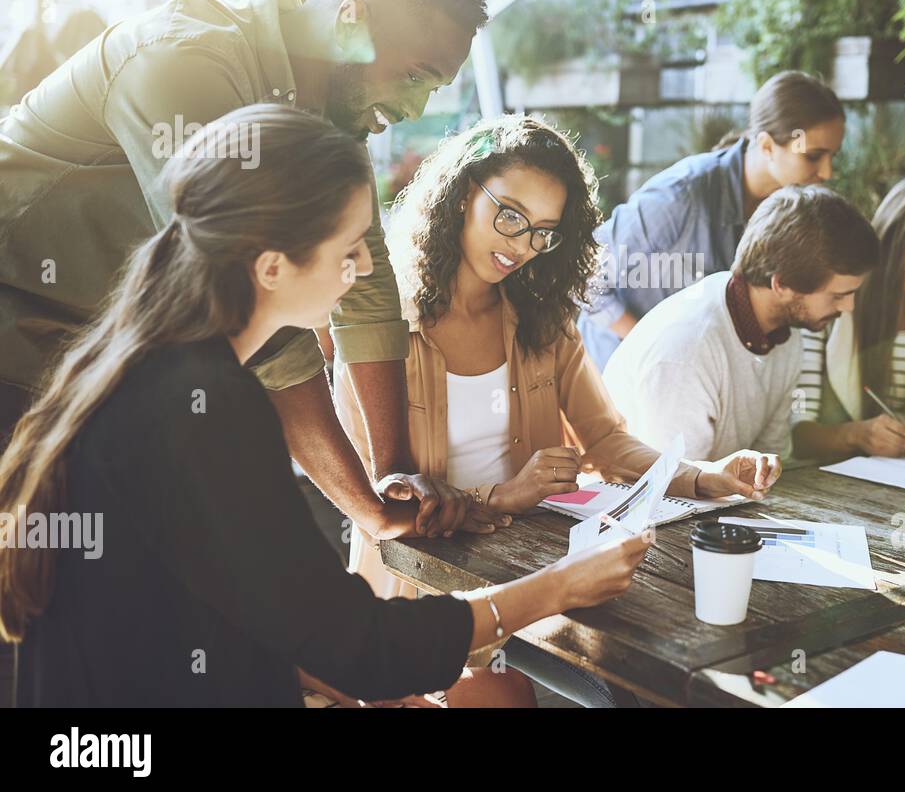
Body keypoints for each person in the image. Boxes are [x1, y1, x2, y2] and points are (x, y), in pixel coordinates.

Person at [0, 106, 650, 707]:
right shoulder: (209, 406)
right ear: (273, 266)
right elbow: (356, 641)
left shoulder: (141, 366)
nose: (366, 265)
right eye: (348, 248)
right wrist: (557, 587)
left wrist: (317, 672)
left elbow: (234, 610)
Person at [0, 0, 488, 545]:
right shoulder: (184, 62)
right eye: (416, 76)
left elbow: (365, 289)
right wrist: (364, 510)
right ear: (350, 21)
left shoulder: (333, 111)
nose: (416, 110)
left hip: (98, 373)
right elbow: (245, 297)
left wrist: (390, 471)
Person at [334, 113, 780, 706]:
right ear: (465, 192)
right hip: (419, 588)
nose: (521, 247)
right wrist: (505, 495)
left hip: (530, 567)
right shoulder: (381, 328)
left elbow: (610, 444)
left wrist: (706, 476)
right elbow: (379, 498)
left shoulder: (542, 321)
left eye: (543, 232)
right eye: (510, 217)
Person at [577, 70, 845, 369]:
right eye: (813, 156)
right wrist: (647, 343)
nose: (827, 173)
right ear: (767, 146)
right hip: (611, 377)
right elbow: (583, 275)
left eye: (833, 156)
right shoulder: (682, 195)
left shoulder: (784, 211)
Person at [603, 185, 878, 462]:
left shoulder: (786, 335)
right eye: (839, 296)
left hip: (713, 498)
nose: (849, 307)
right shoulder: (688, 348)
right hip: (644, 498)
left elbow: (767, 462)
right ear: (781, 285)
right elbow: (672, 485)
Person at [792, 173, 905, 462]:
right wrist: (857, 436)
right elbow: (797, 435)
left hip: (898, 480)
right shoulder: (832, 303)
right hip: (824, 481)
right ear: (891, 232)